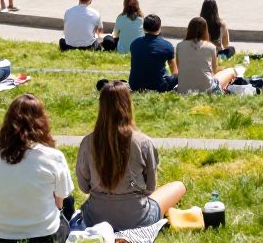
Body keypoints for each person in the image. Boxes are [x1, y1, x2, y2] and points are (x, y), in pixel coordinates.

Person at [76, 82, 186, 230]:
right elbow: (150, 188)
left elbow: (84, 187)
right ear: (128, 105)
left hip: (95, 219)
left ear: (101, 107)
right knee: (178, 186)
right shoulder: (143, 142)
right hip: (137, 219)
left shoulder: (87, 142)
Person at [0, 95, 74, 243]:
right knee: (68, 201)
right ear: (42, 122)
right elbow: (59, 203)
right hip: (44, 236)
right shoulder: (54, 157)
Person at [175, 17, 238, 94]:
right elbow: (213, 71)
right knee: (231, 71)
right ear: (205, 30)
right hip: (206, 90)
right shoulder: (210, 47)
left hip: (183, 89)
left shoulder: (180, 46)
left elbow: (179, 68)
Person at [128, 14, 177, 93]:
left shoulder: (135, 43)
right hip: (159, 87)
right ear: (159, 28)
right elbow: (174, 70)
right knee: (178, 76)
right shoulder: (167, 45)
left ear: (143, 28)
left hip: (135, 85)